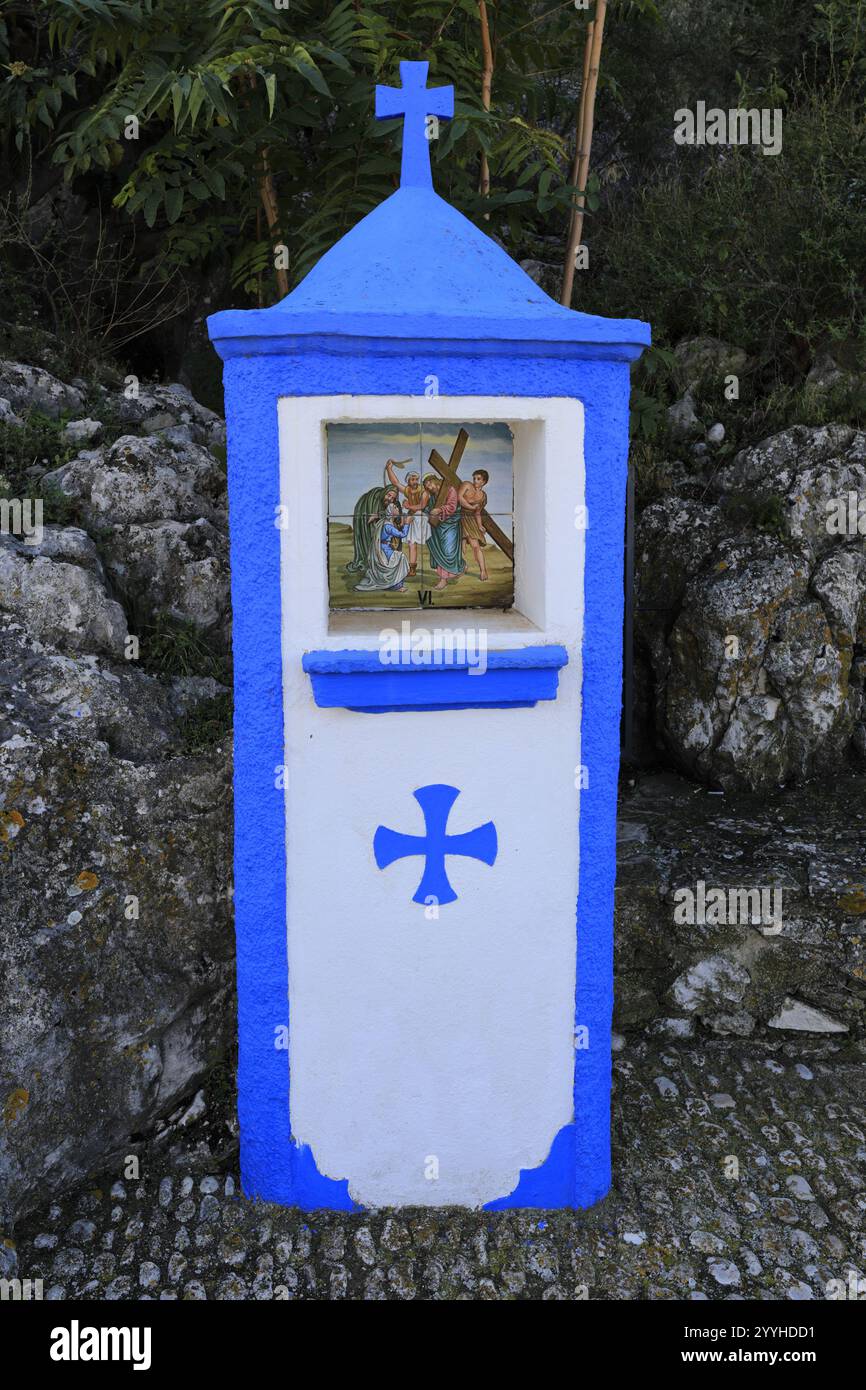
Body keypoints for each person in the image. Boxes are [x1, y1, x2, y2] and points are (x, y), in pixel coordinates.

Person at [353, 494, 410, 592]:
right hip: (384, 550)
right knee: (401, 558)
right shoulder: (388, 526)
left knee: (398, 558)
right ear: (391, 511)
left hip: (383, 548)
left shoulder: (385, 521)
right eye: (395, 508)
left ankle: (395, 584)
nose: (397, 509)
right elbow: (402, 535)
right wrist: (407, 523)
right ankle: (396, 586)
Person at [385, 460, 430, 577]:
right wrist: (389, 469)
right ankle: (412, 568)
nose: (415, 481)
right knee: (411, 543)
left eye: (416, 479)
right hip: (412, 518)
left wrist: (409, 506)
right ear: (408, 481)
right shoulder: (407, 490)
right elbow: (395, 482)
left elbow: (422, 505)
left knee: (428, 543)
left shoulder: (424, 491)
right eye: (412, 479)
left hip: (422, 519)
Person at [424, 472, 465, 590]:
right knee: (440, 551)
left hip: (451, 525)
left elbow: (452, 506)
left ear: (434, 480)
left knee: (448, 551)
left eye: (429, 483)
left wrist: (439, 510)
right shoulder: (433, 496)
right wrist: (428, 511)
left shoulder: (449, 489)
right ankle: (444, 578)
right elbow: (429, 508)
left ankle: (450, 574)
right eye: (427, 486)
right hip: (437, 528)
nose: (429, 487)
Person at [459, 469, 490, 581]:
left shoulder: (482, 496)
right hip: (459, 516)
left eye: (478, 479)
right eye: (474, 478)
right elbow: (460, 498)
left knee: (475, 546)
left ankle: (483, 570)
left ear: (484, 482)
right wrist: (471, 507)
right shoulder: (466, 485)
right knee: (460, 546)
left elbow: (477, 513)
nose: (475, 481)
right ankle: (463, 567)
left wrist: (480, 525)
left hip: (471, 520)